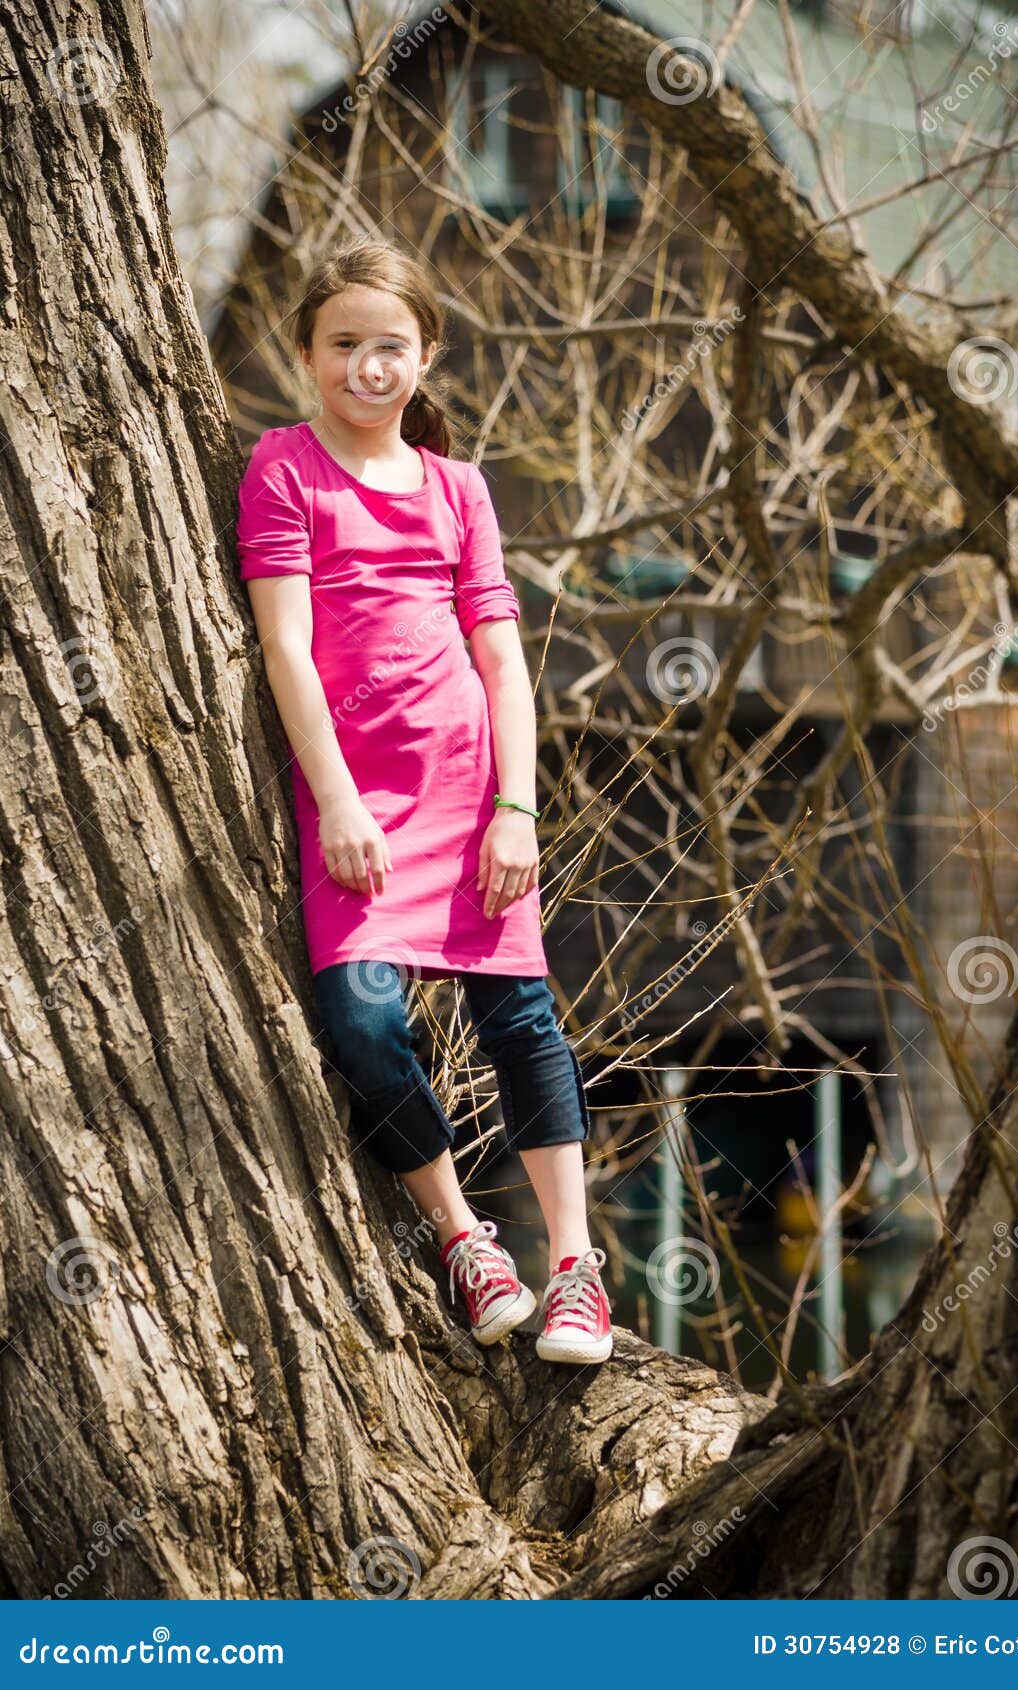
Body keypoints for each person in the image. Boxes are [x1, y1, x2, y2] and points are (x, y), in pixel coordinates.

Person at [235, 237, 612, 1365]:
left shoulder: (459, 487)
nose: (367, 366)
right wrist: (338, 800)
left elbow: (502, 663)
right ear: (308, 353)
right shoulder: (283, 468)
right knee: (360, 1023)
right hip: (352, 802)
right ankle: (462, 1238)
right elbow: (285, 650)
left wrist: (517, 810)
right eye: (343, 343)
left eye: (389, 345)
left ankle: (575, 1267)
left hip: (469, 794)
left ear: (425, 354)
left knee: (521, 1022)